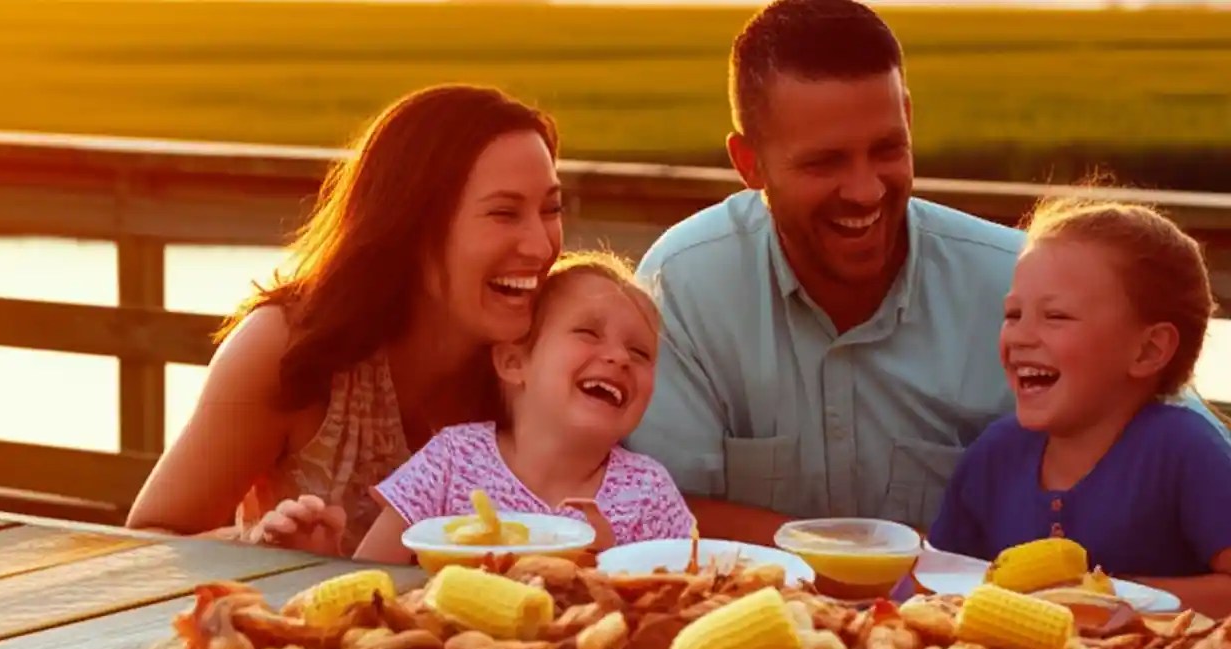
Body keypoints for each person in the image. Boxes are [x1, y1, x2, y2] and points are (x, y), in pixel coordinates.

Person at [624, 0, 1229, 543]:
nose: (864, 191)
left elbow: (1186, 441)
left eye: (887, 149)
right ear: (749, 163)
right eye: (825, 162)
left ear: (909, 120)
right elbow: (657, 507)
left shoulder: (1026, 284)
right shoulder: (681, 285)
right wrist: (882, 558)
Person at [125, 84, 565, 556]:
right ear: (411, 223)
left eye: (551, 209)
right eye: (504, 213)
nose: (541, 247)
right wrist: (265, 549)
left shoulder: (561, 352)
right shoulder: (287, 347)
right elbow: (148, 542)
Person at [927, 198, 1231, 617]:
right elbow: (941, 578)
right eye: (1013, 314)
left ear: (1148, 350)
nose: (1020, 336)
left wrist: (1117, 597)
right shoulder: (994, 455)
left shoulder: (1184, 450)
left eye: (1056, 316)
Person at [347, 251, 695, 564]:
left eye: (640, 353)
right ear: (515, 362)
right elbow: (366, 579)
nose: (620, 358)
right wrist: (319, 552)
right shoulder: (452, 459)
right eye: (588, 332)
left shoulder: (650, 493)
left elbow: (686, 603)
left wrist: (609, 567)